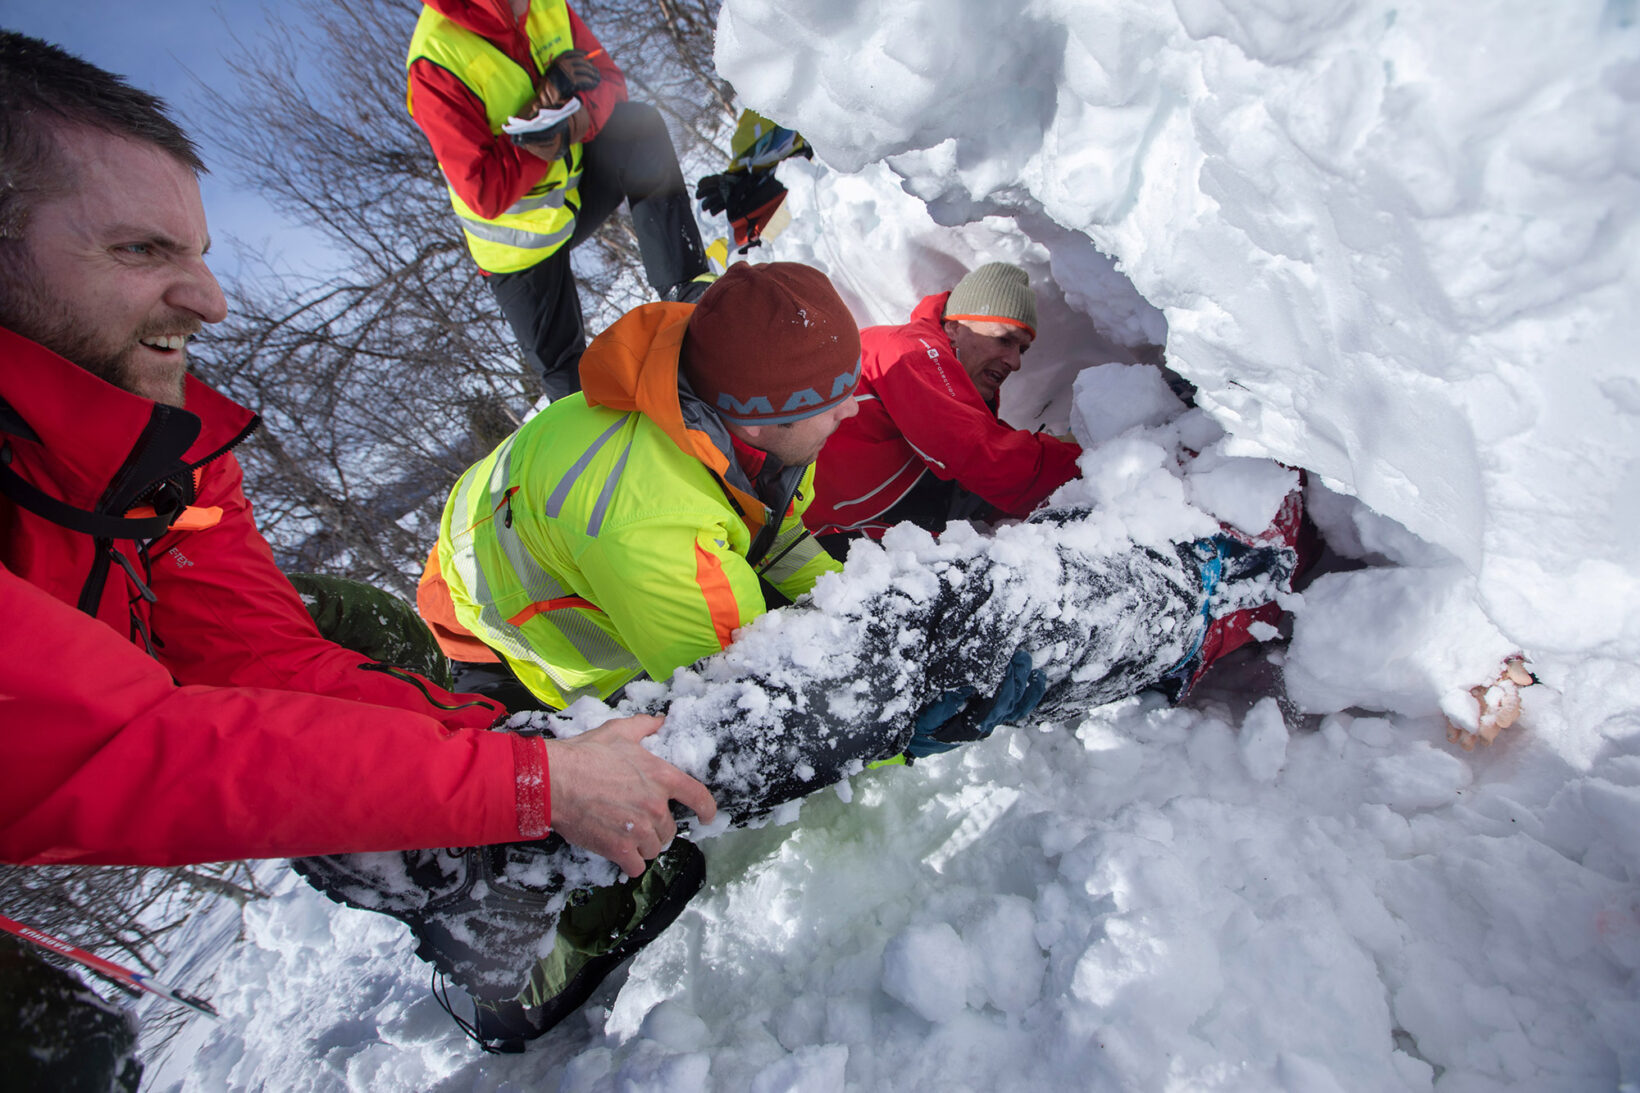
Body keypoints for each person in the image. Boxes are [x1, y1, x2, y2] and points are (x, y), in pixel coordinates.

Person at [296, 259, 1301, 1049]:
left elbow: (768, 528)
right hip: (511, 629)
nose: (847, 416)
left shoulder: (700, 400)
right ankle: (523, 961)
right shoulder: (658, 537)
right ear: (757, 422)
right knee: (665, 768)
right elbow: (775, 712)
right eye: (827, 413)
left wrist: (849, 594)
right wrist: (911, 707)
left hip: (523, 547)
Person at [0, 30, 712, 883]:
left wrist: (520, 759)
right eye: (138, 249)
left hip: (558, 207)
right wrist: (529, 783)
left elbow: (260, 658)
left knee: (349, 632)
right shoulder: (442, 52)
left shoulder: (166, 448)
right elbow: (119, 752)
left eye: (197, 252)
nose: (212, 303)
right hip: (520, 245)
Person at [406, 0, 713, 398]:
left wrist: (576, 119)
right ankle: (606, 452)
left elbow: (610, 81)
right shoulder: (435, 59)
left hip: (573, 193)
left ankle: (688, 294)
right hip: (517, 249)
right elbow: (483, 190)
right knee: (569, 381)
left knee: (638, 127)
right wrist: (541, 119)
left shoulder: (546, 5)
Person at [805, 262, 1083, 553]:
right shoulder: (910, 352)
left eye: (1021, 349)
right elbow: (983, 455)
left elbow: (984, 459)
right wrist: (1088, 465)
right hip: (795, 533)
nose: (1015, 362)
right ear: (954, 327)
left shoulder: (948, 380)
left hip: (838, 529)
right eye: (1004, 339)